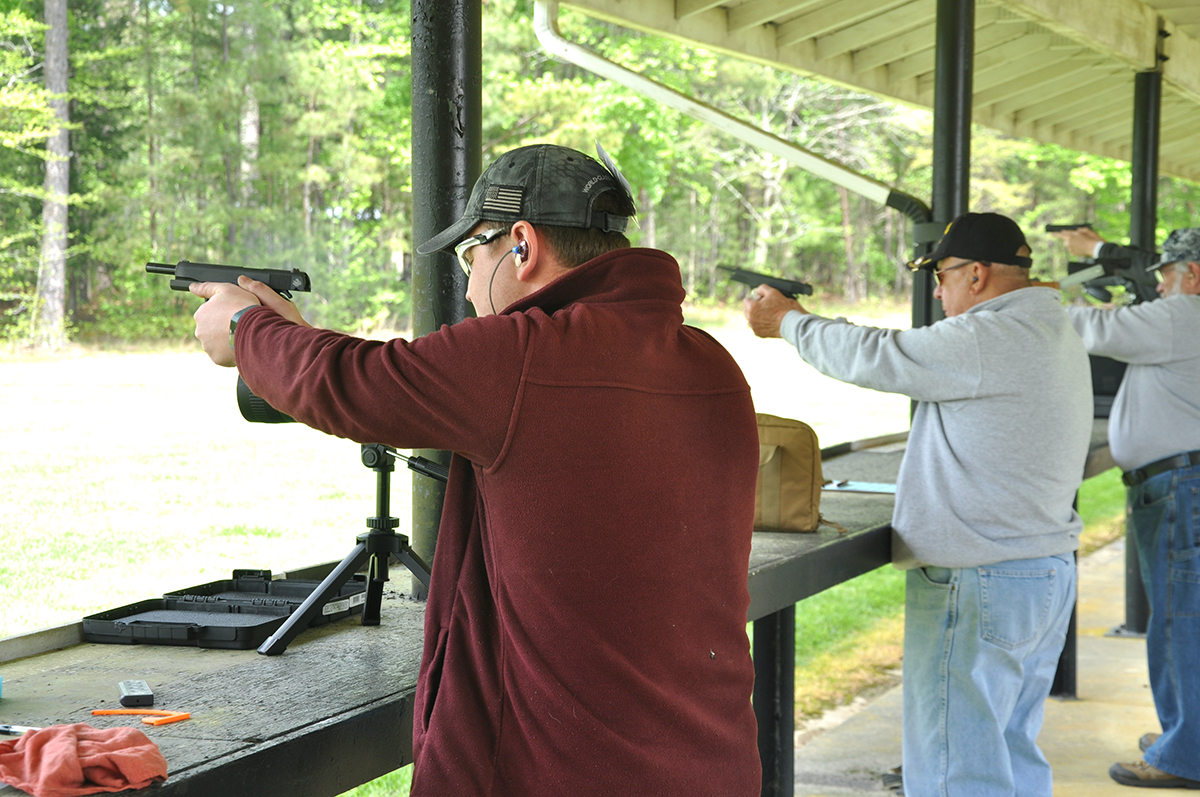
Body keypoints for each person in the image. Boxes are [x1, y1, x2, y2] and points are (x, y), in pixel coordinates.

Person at [188, 143, 762, 795]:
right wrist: (292, 336)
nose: (466, 285)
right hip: (711, 762)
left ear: (521, 244)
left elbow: (349, 383)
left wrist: (245, 326)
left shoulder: (523, 356)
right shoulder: (713, 365)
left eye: (473, 254)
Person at [744, 212, 1092, 797]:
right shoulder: (1046, 327)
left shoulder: (989, 336)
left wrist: (789, 322)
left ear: (976, 274)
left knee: (957, 770)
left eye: (944, 274)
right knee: (1007, 754)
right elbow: (901, 349)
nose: (937, 289)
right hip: (1037, 569)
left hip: (978, 577)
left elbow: (879, 356)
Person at [1055, 226, 1200, 790]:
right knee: (1177, 617)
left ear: (1193, 275)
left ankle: (1185, 755)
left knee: (1180, 621)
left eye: (1167, 274)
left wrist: (1032, 298)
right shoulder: (1179, 317)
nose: (1159, 286)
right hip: (1178, 484)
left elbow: (1089, 326)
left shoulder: (1183, 316)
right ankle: (1182, 734)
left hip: (1182, 486)